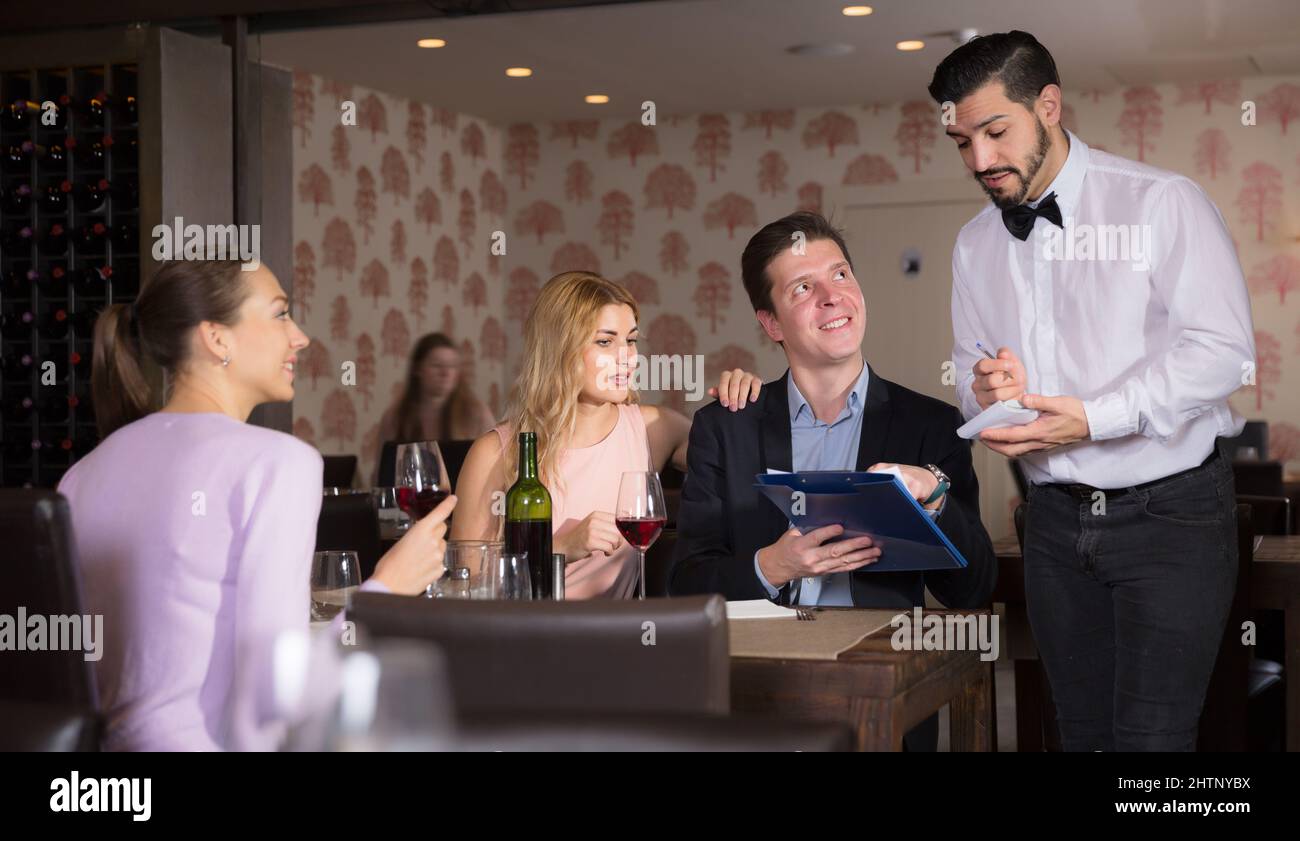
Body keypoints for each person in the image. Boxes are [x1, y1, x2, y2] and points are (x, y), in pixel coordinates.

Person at [931, 31, 1254, 750]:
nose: (980, 160)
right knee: (1077, 736)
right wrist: (990, 393)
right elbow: (972, 382)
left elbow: (1223, 354)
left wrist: (1092, 419)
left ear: (1048, 106)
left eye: (994, 131)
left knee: (1153, 742)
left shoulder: (1163, 203)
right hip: (1049, 524)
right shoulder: (972, 245)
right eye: (961, 142)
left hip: (1170, 517)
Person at [57, 259, 455, 751]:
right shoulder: (278, 462)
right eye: (281, 314)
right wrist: (388, 585)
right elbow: (274, 700)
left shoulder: (83, 474)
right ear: (217, 338)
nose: (301, 337)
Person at [669, 211, 996, 612]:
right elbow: (684, 584)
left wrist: (934, 498)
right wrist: (770, 567)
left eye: (840, 275)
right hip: (758, 664)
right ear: (772, 324)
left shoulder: (933, 426)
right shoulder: (724, 427)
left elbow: (974, 590)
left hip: (879, 662)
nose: (831, 296)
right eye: (803, 288)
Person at [451, 270, 762, 599]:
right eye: (605, 341)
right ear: (560, 348)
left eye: (630, 340)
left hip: (616, 639)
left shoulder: (653, 429)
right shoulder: (496, 451)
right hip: (521, 640)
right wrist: (558, 549)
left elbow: (741, 462)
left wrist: (741, 401)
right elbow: (465, 585)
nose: (626, 357)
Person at [373, 332, 496, 483]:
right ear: (418, 369)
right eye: (436, 365)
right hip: (410, 503)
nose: (445, 373)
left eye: (452, 366)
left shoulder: (477, 414)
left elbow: (494, 471)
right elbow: (381, 476)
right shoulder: (395, 417)